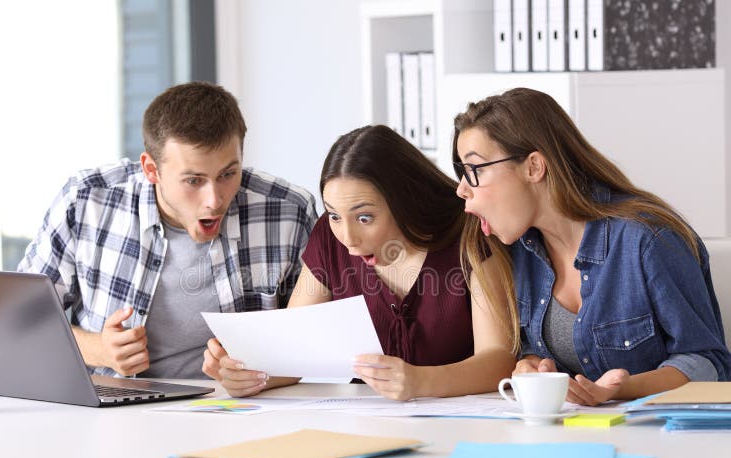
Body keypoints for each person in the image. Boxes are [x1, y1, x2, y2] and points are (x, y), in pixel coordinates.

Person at [19, 82, 317, 379]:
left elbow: (315, 340)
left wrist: (260, 375)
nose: (214, 199)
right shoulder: (86, 202)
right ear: (151, 169)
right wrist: (98, 349)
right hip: (116, 410)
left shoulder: (289, 211)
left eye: (228, 174)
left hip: (244, 411)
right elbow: (21, 319)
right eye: (193, 180)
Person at [453, 87, 731, 406]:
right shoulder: (523, 253)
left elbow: (709, 363)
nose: (462, 189)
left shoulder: (648, 240)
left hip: (659, 437)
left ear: (533, 167)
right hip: (573, 437)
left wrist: (621, 389)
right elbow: (538, 351)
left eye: (475, 170)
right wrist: (531, 364)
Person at [203, 124, 516, 400]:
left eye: (364, 217)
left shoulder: (469, 233)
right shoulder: (328, 236)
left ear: (405, 201)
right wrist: (249, 375)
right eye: (335, 215)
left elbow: (498, 359)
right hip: (364, 430)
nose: (348, 237)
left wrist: (421, 381)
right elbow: (293, 353)